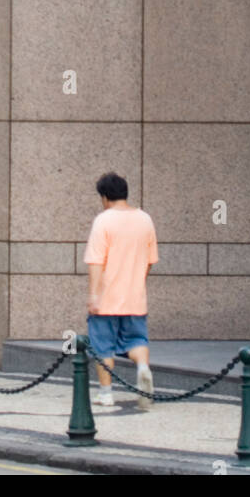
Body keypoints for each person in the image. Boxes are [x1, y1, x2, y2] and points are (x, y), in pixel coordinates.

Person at [84, 172, 158, 410]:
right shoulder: (145, 219)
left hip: (107, 300)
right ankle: (143, 369)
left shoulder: (103, 221)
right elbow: (150, 261)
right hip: (136, 298)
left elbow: (96, 262)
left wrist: (94, 295)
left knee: (103, 346)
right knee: (136, 340)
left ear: (105, 197)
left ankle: (106, 393)